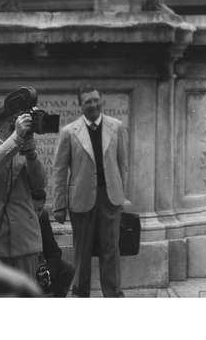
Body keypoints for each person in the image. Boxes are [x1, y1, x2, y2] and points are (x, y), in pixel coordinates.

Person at [52, 84, 128, 297]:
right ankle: (80, 295)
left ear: (101, 100)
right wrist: (59, 206)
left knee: (111, 251)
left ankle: (113, 295)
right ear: (80, 105)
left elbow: (122, 164)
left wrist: (121, 196)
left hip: (110, 199)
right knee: (82, 252)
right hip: (81, 200)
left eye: (96, 100)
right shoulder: (69, 132)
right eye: (88, 101)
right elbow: (59, 171)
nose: (93, 105)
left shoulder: (116, 126)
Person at [0, 106, 47, 281]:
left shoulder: (22, 147)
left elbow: (39, 184)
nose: (19, 126)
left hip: (24, 238)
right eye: (13, 122)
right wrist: (16, 138)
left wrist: (31, 155)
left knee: (25, 292)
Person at [31, 189, 76, 298]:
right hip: (22, 266)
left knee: (68, 269)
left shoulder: (43, 216)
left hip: (38, 266)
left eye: (39, 209)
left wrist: (48, 274)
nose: (36, 214)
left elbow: (53, 251)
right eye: (33, 209)